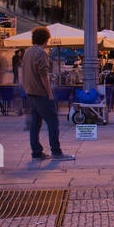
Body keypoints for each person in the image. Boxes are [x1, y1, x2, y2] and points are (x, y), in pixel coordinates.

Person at [22, 26, 74, 161]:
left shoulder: (27, 52)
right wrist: (50, 93)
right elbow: (43, 75)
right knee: (53, 122)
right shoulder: (41, 53)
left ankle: (37, 152)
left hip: (30, 93)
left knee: (35, 123)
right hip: (41, 93)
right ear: (46, 40)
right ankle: (56, 151)